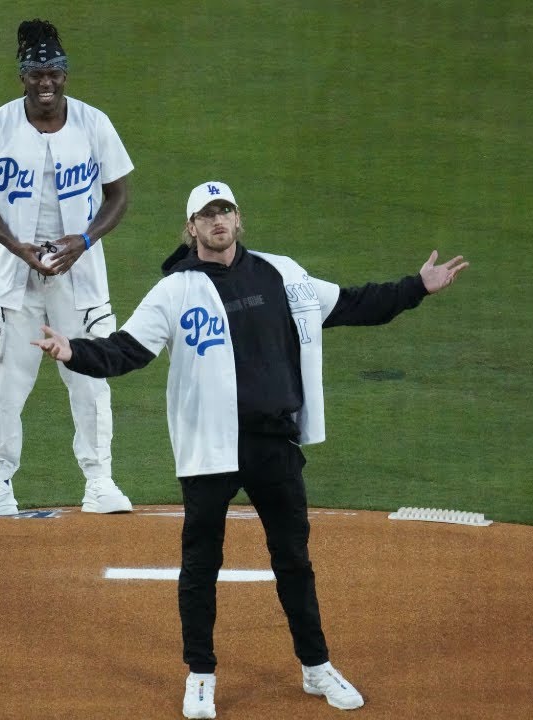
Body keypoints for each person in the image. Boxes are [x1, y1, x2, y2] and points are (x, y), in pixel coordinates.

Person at [33, 181, 469, 718]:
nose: (218, 220)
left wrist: (417, 287)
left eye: (226, 211)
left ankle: (315, 667)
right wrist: (72, 350)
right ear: (190, 227)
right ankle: (200, 674)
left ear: (238, 220)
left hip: (274, 444)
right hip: (210, 448)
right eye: (207, 214)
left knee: (294, 560)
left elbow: (354, 304)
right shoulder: (175, 291)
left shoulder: (281, 273)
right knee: (200, 564)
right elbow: (126, 351)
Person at [0, 19, 135, 517]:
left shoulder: (94, 125)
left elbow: (119, 194)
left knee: (90, 377)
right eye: (37, 72)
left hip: (79, 279)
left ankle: (100, 480)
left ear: (65, 73)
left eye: (54, 70)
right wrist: (16, 246)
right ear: (23, 76)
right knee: (5, 382)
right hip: (14, 279)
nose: (46, 81)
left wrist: (84, 240)